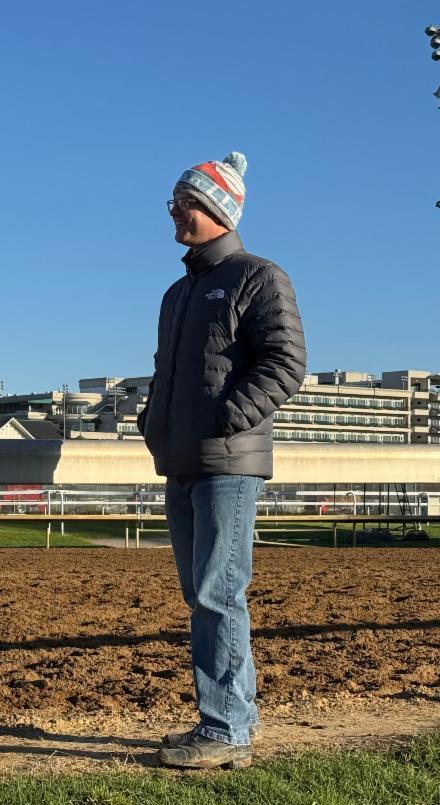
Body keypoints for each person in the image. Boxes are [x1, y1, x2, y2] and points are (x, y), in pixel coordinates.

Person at [138, 151, 306, 769]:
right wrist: (153, 423)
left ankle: (226, 728)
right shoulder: (178, 292)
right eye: (174, 203)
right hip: (181, 460)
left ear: (217, 209)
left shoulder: (258, 276)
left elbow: (286, 363)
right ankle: (234, 717)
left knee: (217, 593)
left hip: (228, 463)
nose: (173, 213)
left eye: (184, 203)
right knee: (202, 593)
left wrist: (227, 418)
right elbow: (166, 372)